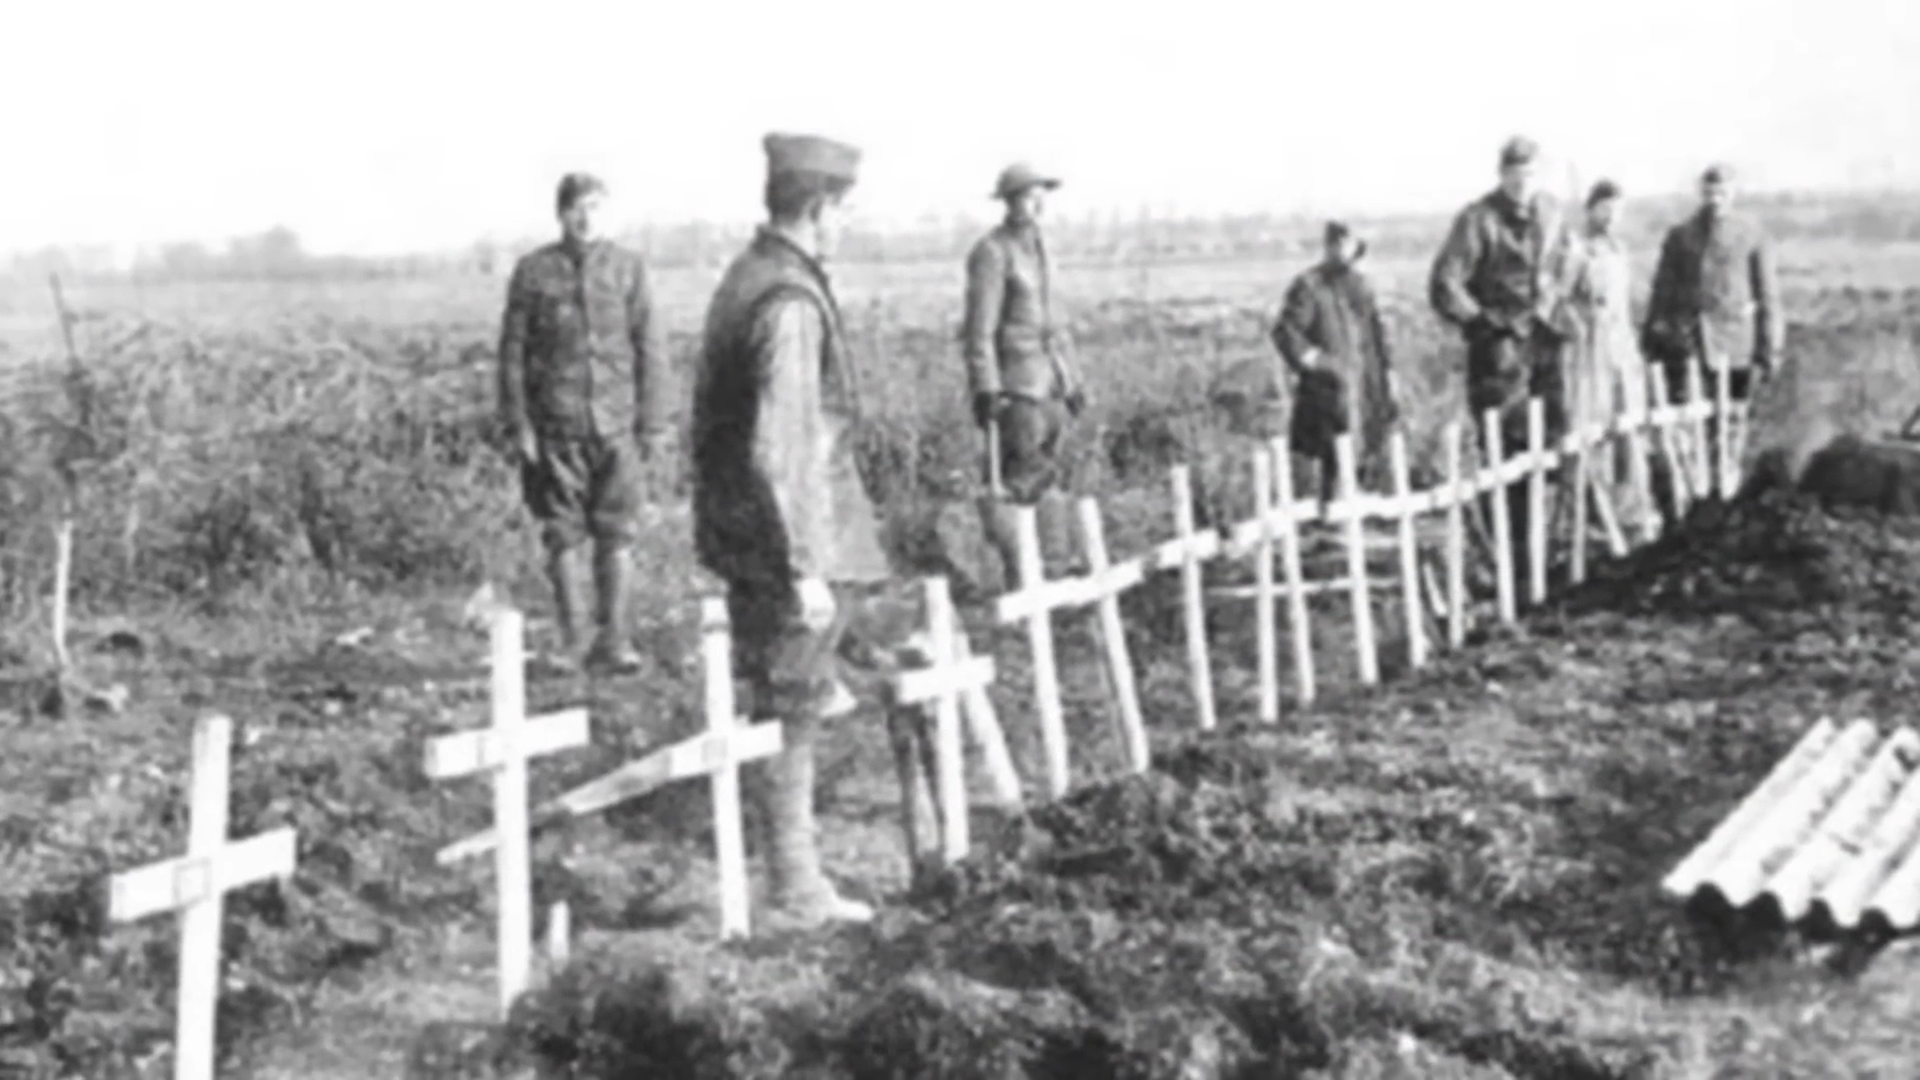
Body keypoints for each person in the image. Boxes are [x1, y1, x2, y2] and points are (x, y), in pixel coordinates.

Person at [691, 132, 934, 926]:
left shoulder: (758, 277)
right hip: (786, 540)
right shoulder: (787, 301)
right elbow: (786, 442)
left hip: (802, 533)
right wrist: (804, 569)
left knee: (871, 653)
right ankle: (796, 887)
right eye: (844, 212)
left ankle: (926, 837)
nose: (846, 226)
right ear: (819, 208)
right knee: (791, 701)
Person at [497, 172, 673, 675]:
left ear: (608, 212)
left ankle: (615, 641)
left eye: (596, 206)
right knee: (562, 535)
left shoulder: (628, 270)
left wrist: (654, 423)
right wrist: (519, 425)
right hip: (556, 428)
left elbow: (651, 347)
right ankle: (574, 642)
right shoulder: (534, 272)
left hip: (617, 426)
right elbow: (512, 355)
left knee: (617, 534)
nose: (586, 216)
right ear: (561, 213)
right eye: (577, 206)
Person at [1428, 135, 1573, 596]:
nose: (1521, 182)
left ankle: (1547, 556)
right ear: (1501, 174)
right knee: (1505, 452)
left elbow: (1565, 263)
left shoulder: (1552, 213)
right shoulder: (1478, 220)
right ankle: (1507, 563)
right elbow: (1445, 283)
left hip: (1544, 347)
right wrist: (1482, 322)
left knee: (1551, 449)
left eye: (1529, 174)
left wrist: (1558, 307)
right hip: (1500, 353)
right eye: (1514, 173)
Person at [962, 162, 1089, 584]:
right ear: (1009, 202)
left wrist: (1073, 380)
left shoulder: (1043, 250)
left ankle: (1050, 568)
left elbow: (1058, 324)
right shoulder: (993, 252)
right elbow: (979, 329)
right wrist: (987, 388)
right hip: (1018, 387)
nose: (1035, 203)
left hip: (1051, 384)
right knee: (1018, 483)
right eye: (1025, 195)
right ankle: (1018, 577)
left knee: (1049, 480)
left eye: (1040, 195)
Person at [1270, 220, 1399, 507]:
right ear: (1328, 246)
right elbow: (1286, 332)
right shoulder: (1309, 285)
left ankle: (1353, 511)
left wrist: (1388, 373)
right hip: (1328, 389)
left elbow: (1377, 334)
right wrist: (1316, 361)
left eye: (1350, 245)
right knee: (1331, 453)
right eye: (1338, 244)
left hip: (1366, 381)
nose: (1343, 251)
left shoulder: (1361, 286)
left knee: (1368, 445)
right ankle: (1327, 517)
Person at [1642, 164, 1783, 407]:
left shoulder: (1753, 235)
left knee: (1732, 420)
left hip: (1737, 347)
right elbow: (1662, 293)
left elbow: (1768, 297)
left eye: (1722, 193)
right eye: (1709, 194)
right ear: (1701, 193)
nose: (1715, 201)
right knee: (1687, 418)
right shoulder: (1681, 236)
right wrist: (1652, 339)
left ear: (1733, 194)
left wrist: (1771, 350)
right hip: (1687, 345)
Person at [1564, 180, 1657, 535]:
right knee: (1592, 426)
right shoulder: (1577, 251)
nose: (1611, 216)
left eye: (1617, 210)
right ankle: (1590, 511)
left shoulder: (1619, 252)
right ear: (1590, 210)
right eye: (1604, 208)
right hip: (1590, 350)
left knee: (1629, 425)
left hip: (1622, 346)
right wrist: (1579, 325)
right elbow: (1558, 300)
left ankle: (1630, 508)